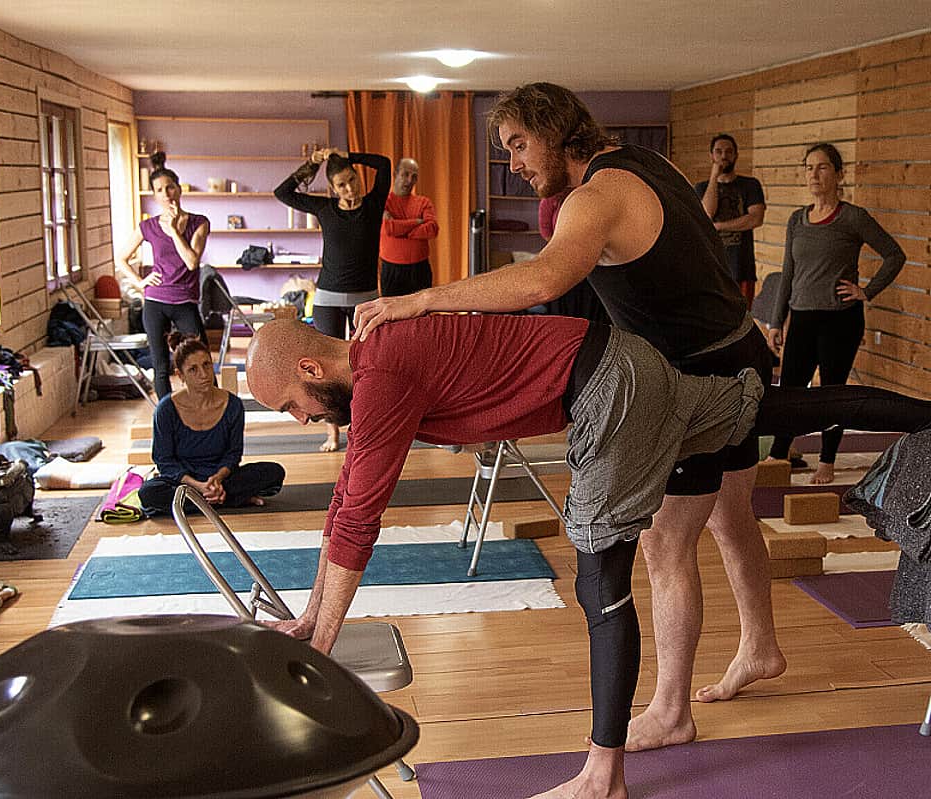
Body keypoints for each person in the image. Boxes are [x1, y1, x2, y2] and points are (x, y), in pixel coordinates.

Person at [246, 314, 929, 799]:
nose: (303, 419)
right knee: (773, 411)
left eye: (294, 405)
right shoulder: (378, 360)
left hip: (610, 386)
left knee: (598, 572)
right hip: (622, 366)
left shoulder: (381, 372)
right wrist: (311, 619)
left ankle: (603, 774)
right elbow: (347, 502)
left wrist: (322, 636)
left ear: (311, 368)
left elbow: (361, 515)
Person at [351, 82, 782, 795]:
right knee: (733, 522)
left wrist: (421, 297)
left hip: (701, 377)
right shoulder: (650, 163)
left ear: (555, 129)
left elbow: (544, 278)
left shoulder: (595, 197)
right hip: (739, 358)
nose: (515, 162)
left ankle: (671, 710)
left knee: (666, 544)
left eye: (519, 143)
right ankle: (760, 646)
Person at [765, 142, 907, 484]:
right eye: (809, 168)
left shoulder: (853, 217)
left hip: (839, 320)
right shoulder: (797, 219)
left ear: (839, 174)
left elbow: (894, 255)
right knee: (791, 390)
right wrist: (775, 320)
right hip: (801, 317)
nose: (814, 174)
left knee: (832, 391)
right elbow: (788, 273)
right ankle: (777, 454)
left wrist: (866, 291)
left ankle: (827, 461)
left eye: (822, 167)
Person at [275, 147, 390, 452]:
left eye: (352, 180)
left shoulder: (373, 204)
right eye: (342, 184)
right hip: (327, 298)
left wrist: (349, 155)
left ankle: (360, 426)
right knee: (325, 368)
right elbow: (283, 192)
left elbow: (384, 163)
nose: (350, 188)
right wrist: (311, 164)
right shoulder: (325, 209)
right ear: (333, 188)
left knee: (363, 364)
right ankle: (332, 433)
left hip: (365, 300)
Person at [138, 333, 285, 516]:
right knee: (148, 493)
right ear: (180, 375)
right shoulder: (166, 409)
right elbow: (164, 461)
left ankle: (205, 501)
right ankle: (227, 500)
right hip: (184, 482)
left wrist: (217, 478)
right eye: (193, 369)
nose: (203, 374)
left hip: (222, 479)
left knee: (274, 472)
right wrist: (198, 486)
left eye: (207, 365)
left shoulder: (232, 405)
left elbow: (233, 454)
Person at [118, 152, 210, 399]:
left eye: (170, 187)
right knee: (160, 366)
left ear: (179, 190)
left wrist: (173, 232)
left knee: (201, 358)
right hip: (156, 301)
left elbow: (191, 262)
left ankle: (204, 406)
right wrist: (139, 283)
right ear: (155, 196)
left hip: (185, 302)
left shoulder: (199, 222)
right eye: (160, 190)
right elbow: (121, 258)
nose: (166, 193)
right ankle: (166, 415)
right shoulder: (147, 227)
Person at [694, 133, 766, 303]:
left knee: (743, 322)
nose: (723, 156)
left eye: (728, 151)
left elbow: (755, 218)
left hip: (742, 268)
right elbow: (706, 215)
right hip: (711, 270)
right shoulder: (701, 187)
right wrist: (714, 177)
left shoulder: (750, 185)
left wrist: (719, 227)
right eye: (718, 152)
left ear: (736, 155)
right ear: (711, 155)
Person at [538, 187, 610, 324]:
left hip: (594, 264)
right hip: (563, 263)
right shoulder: (552, 200)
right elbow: (546, 233)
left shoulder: (593, 197)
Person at [380, 157, 438, 296]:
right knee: (391, 314)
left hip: (420, 269)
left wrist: (401, 229)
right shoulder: (383, 202)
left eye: (414, 177)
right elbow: (390, 228)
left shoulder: (424, 202)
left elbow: (432, 229)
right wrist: (417, 222)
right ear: (395, 174)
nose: (409, 180)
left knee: (423, 315)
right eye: (405, 174)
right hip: (392, 270)